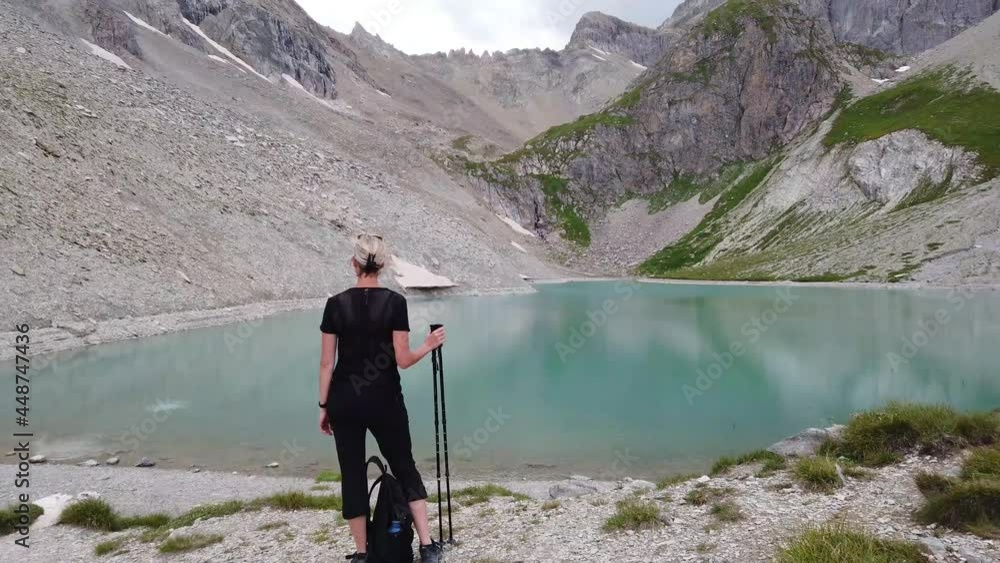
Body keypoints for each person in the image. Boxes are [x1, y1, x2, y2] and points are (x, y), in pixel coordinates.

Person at [318, 233, 447, 563]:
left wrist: (323, 406)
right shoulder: (394, 303)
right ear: (384, 265)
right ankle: (427, 546)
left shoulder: (335, 305)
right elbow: (402, 360)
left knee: (352, 474)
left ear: (354, 264)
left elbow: (326, 363)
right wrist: (428, 344)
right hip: (384, 399)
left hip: (344, 400)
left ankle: (363, 554)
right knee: (404, 466)